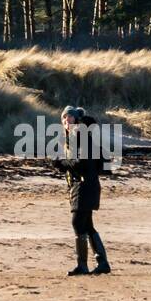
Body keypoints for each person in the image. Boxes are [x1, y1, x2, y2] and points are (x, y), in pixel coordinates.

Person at [51, 106, 111, 276]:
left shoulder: (80, 135)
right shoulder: (77, 136)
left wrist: (61, 162)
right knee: (86, 224)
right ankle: (102, 263)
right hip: (85, 185)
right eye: (63, 118)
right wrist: (61, 164)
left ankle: (83, 266)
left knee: (77, 223)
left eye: (69, 118)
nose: (66, 121)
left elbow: (81, 163)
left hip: (84, 186)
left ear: (77, 119)